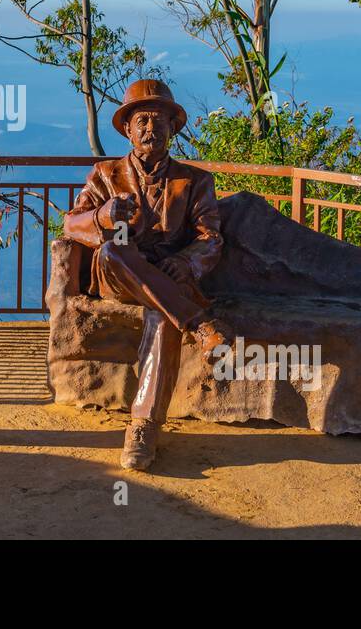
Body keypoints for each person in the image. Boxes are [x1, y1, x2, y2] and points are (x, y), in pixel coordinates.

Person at [62, 79, 226, 471]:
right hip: (117, 274)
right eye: (143, 121)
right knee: (115, 249)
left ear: (174, 129)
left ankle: (143, 425)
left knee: (162, 313)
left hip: (166, 282)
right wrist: (102, 216)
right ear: (128, 130)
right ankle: (200, 322)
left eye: (160, 120)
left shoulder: (195, 180)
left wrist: (186, 261)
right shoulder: (105, 174)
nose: (151, 128)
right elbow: (71, 224)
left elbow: (211, 238)